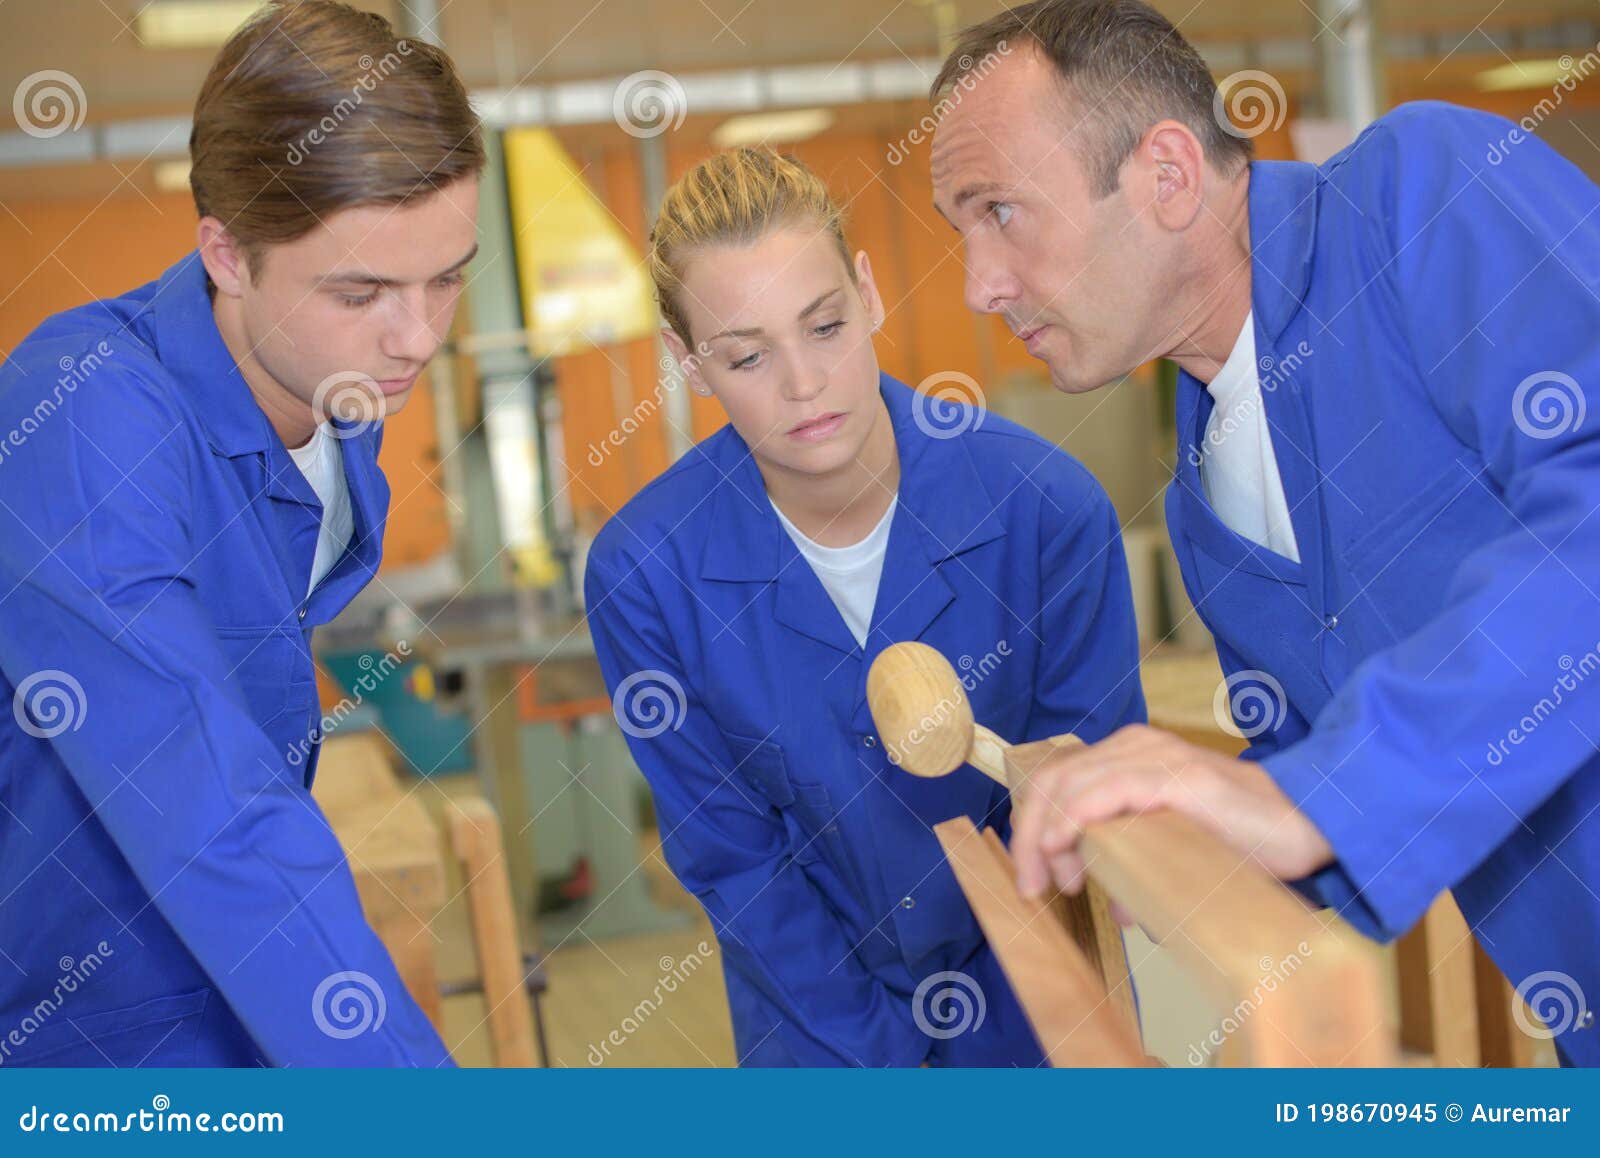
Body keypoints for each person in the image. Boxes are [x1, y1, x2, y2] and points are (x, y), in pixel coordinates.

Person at [929, 0, 1599, 1066]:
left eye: (1000, 211)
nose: (979, 286)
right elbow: (1312, 761)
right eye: (959, 232)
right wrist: (1179, 833)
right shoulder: (1204, 498)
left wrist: (1309, 803)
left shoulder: (1421, 190)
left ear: (1166, 174)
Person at [583, 147, 1144, 1066]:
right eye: (748, 355)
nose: (804, 384)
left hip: (1040, 1015)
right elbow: (735, 860)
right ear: (689, 365)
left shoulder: (1045, 512)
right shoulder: (647, 574)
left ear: (870, 293)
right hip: (813, 1034)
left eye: (826, 327)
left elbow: (1085, 809)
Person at [0, 1, 481, 1066]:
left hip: (238, 998)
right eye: (361, 290)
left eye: (447, 277)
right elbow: (204, 797)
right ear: (225, 252)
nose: (418, 339)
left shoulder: (333, 404)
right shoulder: (82, 414)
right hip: (79, 1040)